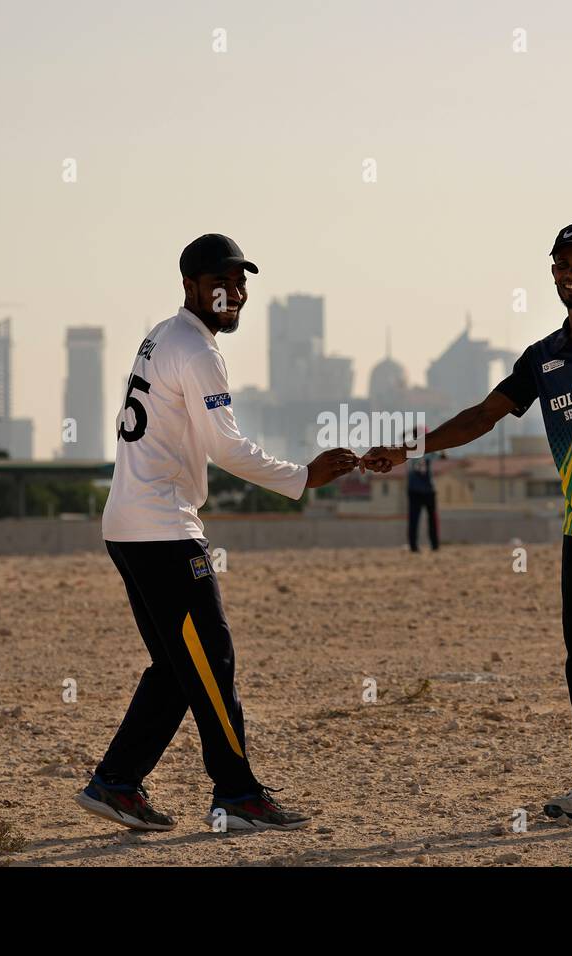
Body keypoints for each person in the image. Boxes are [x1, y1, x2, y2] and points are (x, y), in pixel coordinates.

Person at [363, 221, 572, 823]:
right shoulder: (542, 359)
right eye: (563, 264)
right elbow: (483, 416)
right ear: (553, 273)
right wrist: (411, 448)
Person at [76, 233, 357, 834]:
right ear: (191, 287)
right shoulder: (197, 350)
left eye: (241, 282)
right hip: (162, 532)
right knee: (213, 660)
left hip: (128, 524)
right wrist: (302, 476)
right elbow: (225, 446)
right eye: (221, 283)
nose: (234, 294)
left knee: (179, 666)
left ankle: (116, 783)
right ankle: (237, 794)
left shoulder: (162, 335)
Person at [406, 452, 441, 552]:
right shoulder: (412, 446)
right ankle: (415, 545)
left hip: (425, 489)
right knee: (416, 519)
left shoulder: (412, 446)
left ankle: (432, 544)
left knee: (429, 519)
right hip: (419, 490)